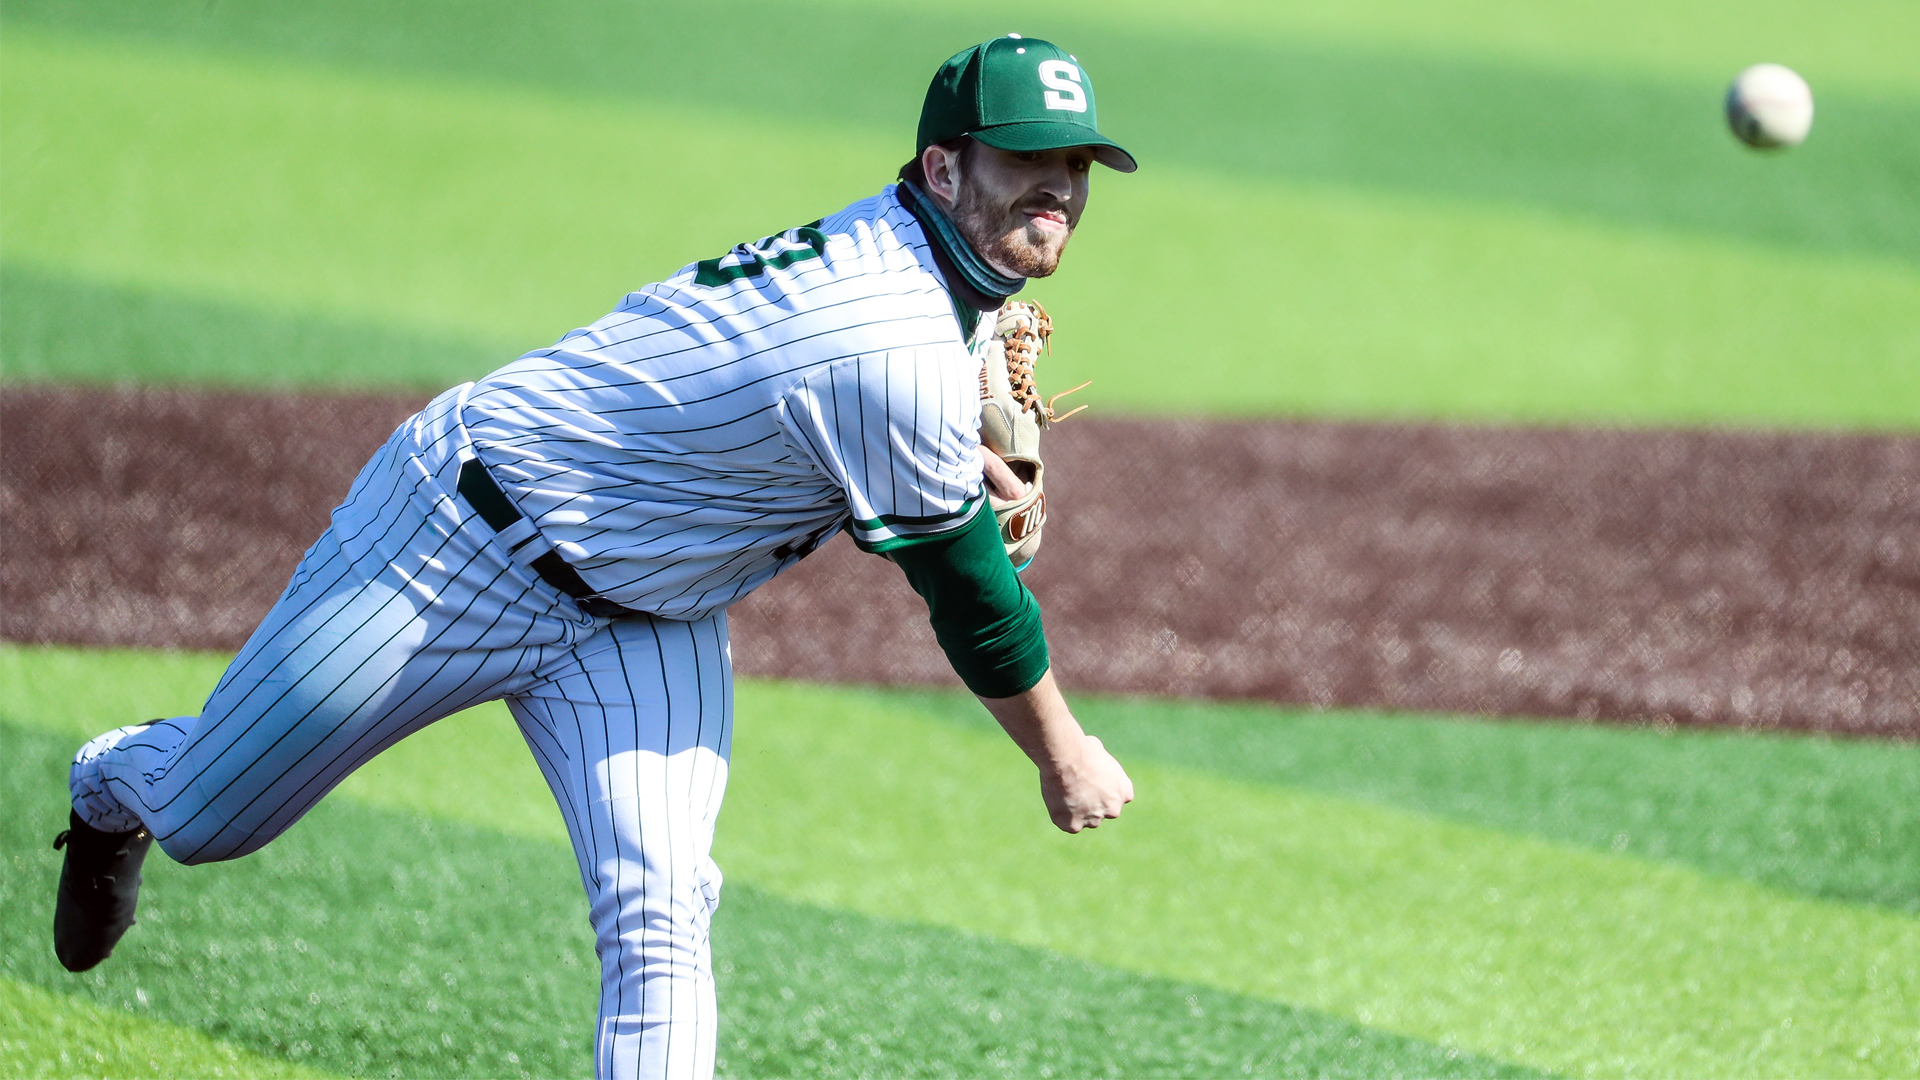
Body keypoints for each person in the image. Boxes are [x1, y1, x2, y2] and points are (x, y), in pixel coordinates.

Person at [52, 35, 1135, 1080]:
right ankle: (112, 786)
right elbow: (972, 596)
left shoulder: (930, 263)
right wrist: (1063, 753)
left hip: (646, 617)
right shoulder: (883, 339)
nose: (1059, 187)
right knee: (208, 817)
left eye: (1077, 163)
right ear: (944, 165)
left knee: (661, 912)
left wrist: (949, 458)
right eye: (1027, 159)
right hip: (456, 541)